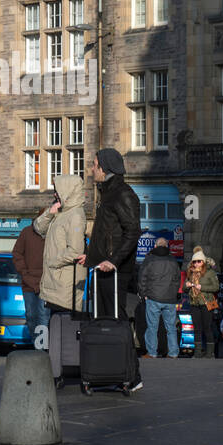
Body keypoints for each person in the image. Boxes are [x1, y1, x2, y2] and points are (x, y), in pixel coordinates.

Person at [76, 148, 142, 390]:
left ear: (105, 168)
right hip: (103, 269)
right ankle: (111, 371)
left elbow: (132, 232)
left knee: (117, 321)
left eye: (95, 165)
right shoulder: (108, 194)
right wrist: (91, 257)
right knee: (105, 322)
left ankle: (132, 376)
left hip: (115, 272)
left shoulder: (123, 194)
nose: (92, 170)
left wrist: (113, 261)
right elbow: (106, 235)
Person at [33, 175, 86, 319]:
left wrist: (52, 261)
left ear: (67, 191)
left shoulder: (75, 216)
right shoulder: (59, 211)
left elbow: (75, 251)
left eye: (57, 191)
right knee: (55, 331)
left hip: (64, 285)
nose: (54, 194)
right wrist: (50, 213)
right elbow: (38, 227)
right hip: (54, 283)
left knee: (63, 331)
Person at [12, 205, 49, 345]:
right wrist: (24, 273)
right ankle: (37, 344)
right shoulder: (26, 232)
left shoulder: (53, 234)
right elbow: (16, 254)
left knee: (44, 316)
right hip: (28, 283)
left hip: (46, 283)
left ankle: (42, 348)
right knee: (31, 316)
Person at [139, 237, 181, 358]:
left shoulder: (149, 259)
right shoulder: (173, 260)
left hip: (153, 297)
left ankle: (152, 352)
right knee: (171, 328)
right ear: (167, 246)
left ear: (155, 246)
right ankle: (173, 353)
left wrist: (144, 294)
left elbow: (142, 278)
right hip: (170, 299)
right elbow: (177, 280)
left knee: (152, 327)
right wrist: (173, 293)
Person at [184, 247, 220, 359]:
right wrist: (187, 285)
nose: (196, 264)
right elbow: (185, 287)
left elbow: (216, 287)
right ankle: (198, 353)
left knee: (207, 328)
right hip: (194, 303)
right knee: (197, 329)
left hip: (206, 303)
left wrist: (202, 287)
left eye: (199, 261)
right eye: (194, 261)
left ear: (203, 262)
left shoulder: (210, 272)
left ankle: (210, 353)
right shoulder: (190, 272)